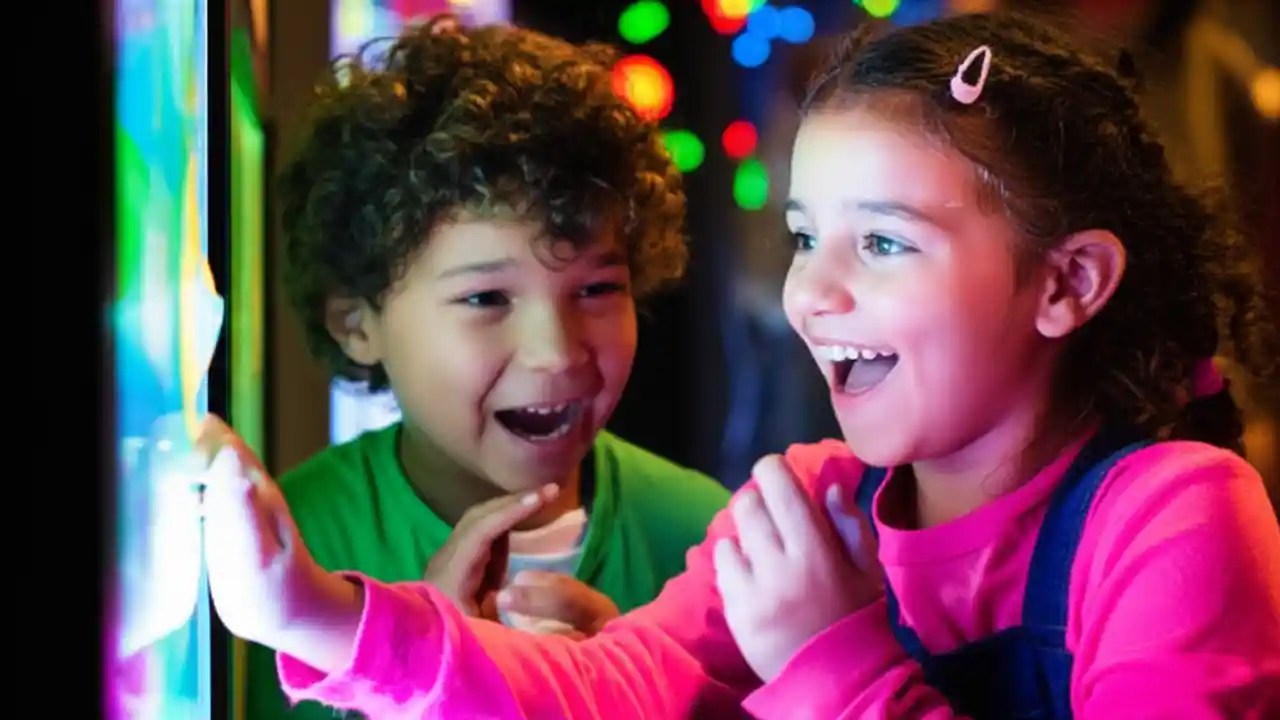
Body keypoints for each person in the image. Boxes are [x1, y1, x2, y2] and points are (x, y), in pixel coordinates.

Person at [205, 11, 1280, 719]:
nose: (810, 292)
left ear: (1066, 284)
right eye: (807, 237)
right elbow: (602, 687)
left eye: (887, 242)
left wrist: (832, 659)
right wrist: (313, 614)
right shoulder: (808, 502)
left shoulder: (1173, 516)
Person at [237, 15, 731, 720]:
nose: (557, 351)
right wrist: (421, 668)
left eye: (596, 290)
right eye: (486, 298)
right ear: (357, 324)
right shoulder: (290, 561)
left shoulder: (701, 537)